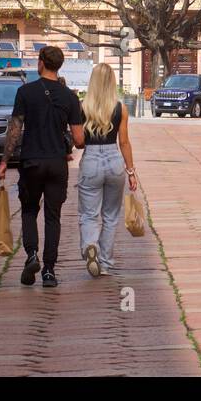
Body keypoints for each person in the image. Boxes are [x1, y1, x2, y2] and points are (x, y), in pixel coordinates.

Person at [0, 45, 83, 288]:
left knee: (29, 210)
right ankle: (49, 271)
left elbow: (15, 129)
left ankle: (31, 254)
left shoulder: (25, 92)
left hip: (32, 161)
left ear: (41, 63)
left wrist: (5, 161)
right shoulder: (70, 97)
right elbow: (79, 140)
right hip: (57, 163)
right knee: (53, 217)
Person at [72, 63, 138, 278]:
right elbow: (125, 142)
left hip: (91, 158)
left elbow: (79, 142)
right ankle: (105, 262)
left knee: (89, 214)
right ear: (112, 82)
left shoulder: (82, 108)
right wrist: (131, 172)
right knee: (110, 216)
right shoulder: (120, 108)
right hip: (114, 160)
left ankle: (90, 246)